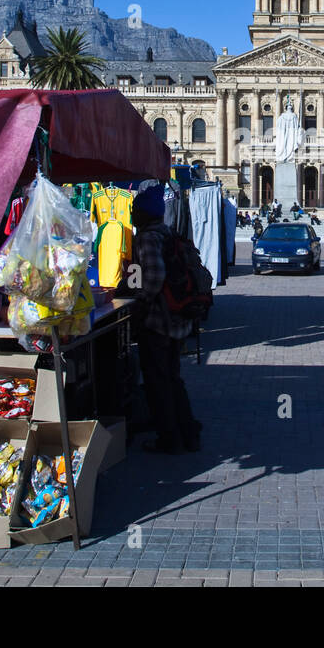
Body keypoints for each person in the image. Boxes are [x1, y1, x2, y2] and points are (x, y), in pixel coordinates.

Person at [131, 185, 203, 454]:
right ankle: (189, 432)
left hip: (159, 322)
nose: (132, 214)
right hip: (178, 320)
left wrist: (138, 300)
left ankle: (169, 438)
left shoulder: (147, 238)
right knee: (173, 378)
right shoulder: (171, 234)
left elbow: (152, 277)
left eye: (135, 210)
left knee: (157, 381)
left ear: (145, 214)